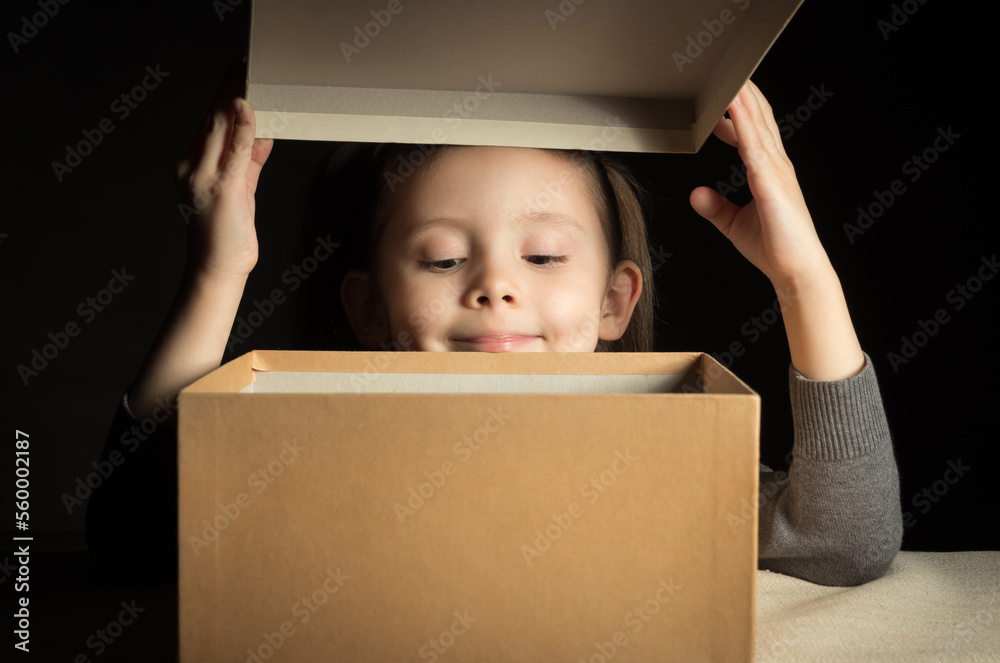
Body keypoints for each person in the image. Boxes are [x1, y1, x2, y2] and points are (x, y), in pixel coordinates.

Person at [86, 58, 902, 585]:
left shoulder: (659, 456)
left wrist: (805, 279)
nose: (495, 287)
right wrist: (216, 271)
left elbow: (843, 542)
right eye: (443, 260)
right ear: (369, 307)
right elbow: (134, 542)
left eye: (544, 256)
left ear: (616, 301)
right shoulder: (315, 450)